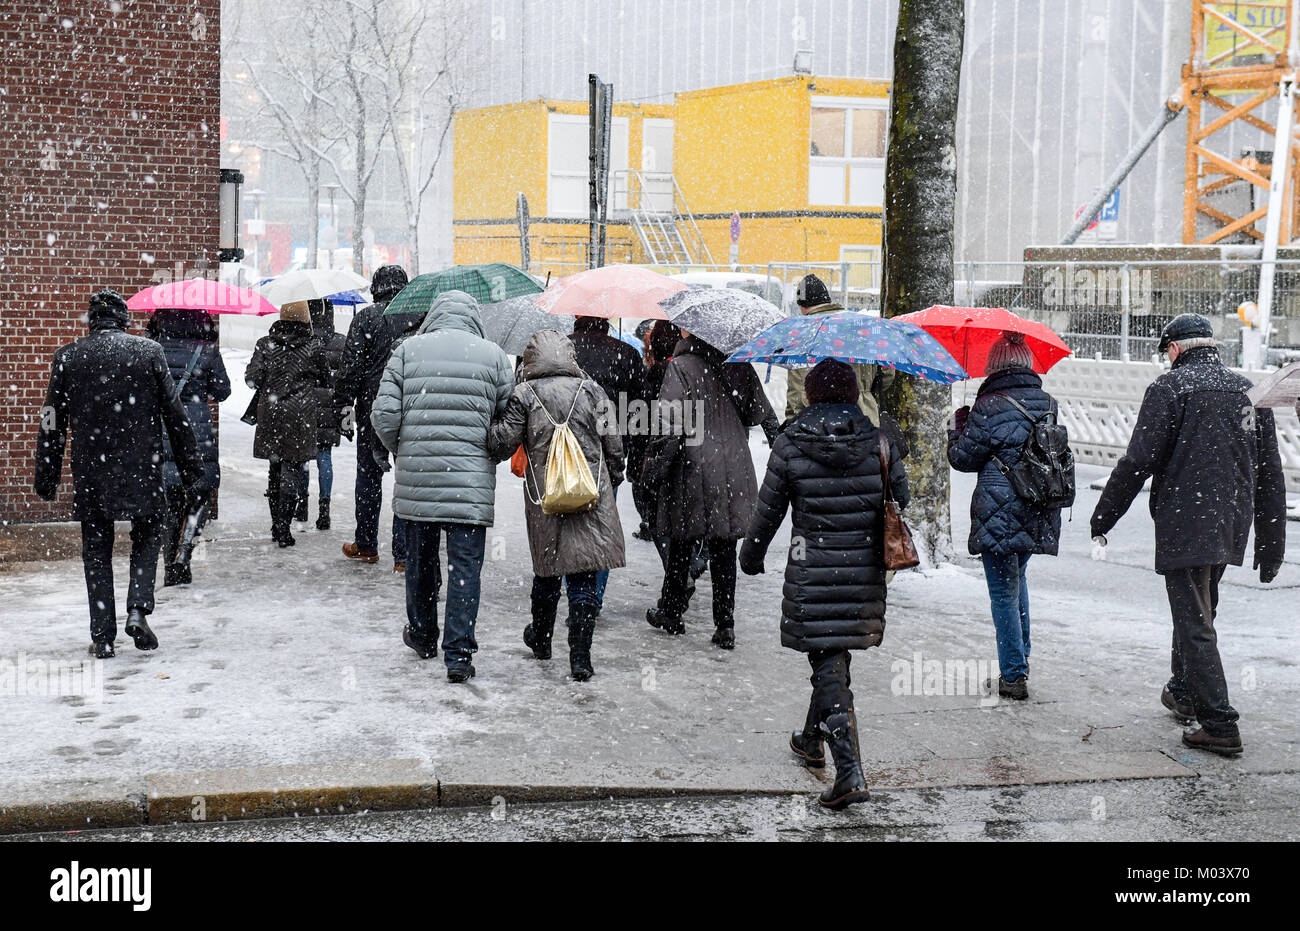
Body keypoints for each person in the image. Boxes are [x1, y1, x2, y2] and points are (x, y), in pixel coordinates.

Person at [1091, 313, 1286, 757]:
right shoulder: (1248, 392)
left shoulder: (1169, 389)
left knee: (1194, 621)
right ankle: (1183, 690)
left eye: (1166, 353)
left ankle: (1219, 723)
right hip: (1228, 524)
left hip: (1185, 522)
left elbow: (1136, 462)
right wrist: (1270, 544)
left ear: (1175, 349)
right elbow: (1269, 473)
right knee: (1200, 607)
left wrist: (1103, 517)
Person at [740, 360, 909, 810]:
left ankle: (849, 773)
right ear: (855, 394)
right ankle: (812, 739)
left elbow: (769, 510)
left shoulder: (791, 442)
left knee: (827, 657)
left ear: (811, 395)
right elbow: (902, 498)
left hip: (813, 570)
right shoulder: (878, 441)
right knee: (832, 654)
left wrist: (751, 555)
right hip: (863, 572)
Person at [34, 289, 202, 657]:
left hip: (92, 470)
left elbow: (51, 422)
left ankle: (102, 635)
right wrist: (192, 468)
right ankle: (138, 610)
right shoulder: (148, 353)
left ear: (92, 321)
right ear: (125, 320)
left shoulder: (69, 357)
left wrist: (46, 476)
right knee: (147, 535)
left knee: (96, 550)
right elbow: (176, 417)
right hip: (143, 467)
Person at [371, 291, 514, 683]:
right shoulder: (495, 357)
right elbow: (507, 422)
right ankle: (459, 654)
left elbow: (383, 416)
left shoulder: (405, 351)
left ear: (434, 315)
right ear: (473, 317)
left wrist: (404, 449)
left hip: (420, 481)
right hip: (470, 486)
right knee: (465, 569)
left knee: (420, 561)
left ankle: (421, 634)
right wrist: (490, 452)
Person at [487, 330, 625, 680]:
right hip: (590, 492)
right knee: (583, 573)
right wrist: (615, 476)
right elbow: (614, 443)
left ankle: (542, 638)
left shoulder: (524, 395)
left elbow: (502, 444)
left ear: (531, 360)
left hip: (545, 494)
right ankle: (580, 657)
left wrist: (488, 424)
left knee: (548, 567)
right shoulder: (592, 390)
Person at [641, 328, 776, 648]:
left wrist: (654, 469)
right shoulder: (738, 364)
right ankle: (725, 625)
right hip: (733, 461)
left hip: (693, 463)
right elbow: (760, 413)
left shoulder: (681, 366)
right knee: (724, 545)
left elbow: (669, 425)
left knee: (682, 539)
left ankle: (672, 611)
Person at [947, 331, 1063, 701]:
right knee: (1017, 581)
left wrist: (957, 428)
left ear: (993, 366)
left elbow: (963, 459)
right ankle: (1021, 658)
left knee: (1003, 592)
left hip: (999, 509)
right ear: (1029, 363)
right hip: (1037, 504)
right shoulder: (1048, 403)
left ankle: (1013, 675)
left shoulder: (989, 405)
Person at [334, 264, 415, 570]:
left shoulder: (366, 318)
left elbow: (350, 369)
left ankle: (367, 545)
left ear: (375, 288)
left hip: (373, 406)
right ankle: (404, 554)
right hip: (410, 403)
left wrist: (343, 409)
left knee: (369, 475)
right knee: (407, 478)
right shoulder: (418, 317)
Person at [146, 308, 231, 586]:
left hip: (163, 426)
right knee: (198, 496)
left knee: (170, 500)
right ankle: (185, 553)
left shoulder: (153, 349)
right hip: (197, 429)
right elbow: (223, 391)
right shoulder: (206, 350)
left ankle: (170, 564)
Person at [568, 315, 644, 611]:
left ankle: (575, 590)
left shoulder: (565, 350)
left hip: (566, 449)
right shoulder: (626, 354)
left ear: (576, 318)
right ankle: (593, 595)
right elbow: (641, 408)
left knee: (567, 520)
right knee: (602, 525)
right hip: (608, 450)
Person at [246, 300, 331, 549]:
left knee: (275, 467)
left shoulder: (266, 343)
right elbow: (325, 377)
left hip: (270, 412)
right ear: (306, 319)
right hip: (301, 414)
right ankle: (284, 528)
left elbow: (252, 378)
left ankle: (276, 524)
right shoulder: (314, 345)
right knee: (294, 468)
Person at [784, 274, 894, 425]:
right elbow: (887, 373)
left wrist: (792, 421)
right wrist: (865, 391)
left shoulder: (804, 334)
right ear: (827, 299)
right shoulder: (861, 327)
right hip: (865, 418)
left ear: (801, 305)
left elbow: (797, 391)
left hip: (818, 423)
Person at [303, 298, 347, 531]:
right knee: (324, 457)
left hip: (305, 406)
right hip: (330, 407)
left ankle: (301, 506)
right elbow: (347, 375)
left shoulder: (305, 341)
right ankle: (324, 508)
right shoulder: (341, 342)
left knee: (300, 457)